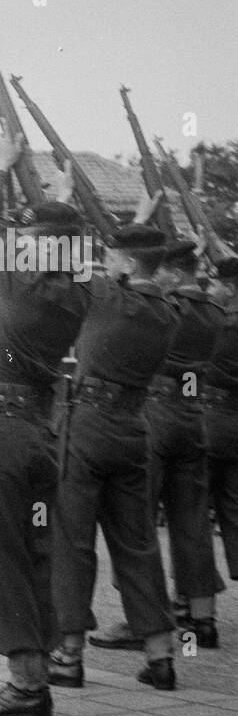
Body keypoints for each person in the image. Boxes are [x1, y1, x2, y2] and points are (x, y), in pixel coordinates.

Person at [0, 135, 91, 716]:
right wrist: (61, 201)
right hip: (43, 426)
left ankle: (24, 684)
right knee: (37, 552)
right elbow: (73, 247)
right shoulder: (80, 289)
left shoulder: (21, 278)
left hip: (2, 430)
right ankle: (39, 670)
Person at [49, 220, 180, 692]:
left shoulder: (107, 296)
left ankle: (68, 655)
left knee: (72, 540)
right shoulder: (168, 311)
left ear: (125, 264)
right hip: (133, 426)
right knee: (138, 542)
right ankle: (160, 655)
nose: (102, 262)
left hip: (87, 424)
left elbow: (56, 258)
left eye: (109, 256)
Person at [89, 239, 225, 652]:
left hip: (156, 414)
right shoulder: (213, 311)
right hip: (192, 416)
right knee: (192, 521)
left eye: (162, 269)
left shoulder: (166, 308)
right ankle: (202, 621)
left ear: (173, 272)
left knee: (137, 524)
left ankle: (139, 619)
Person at [204, 257, 238, 609]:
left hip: (214, 425)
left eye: (214, 284)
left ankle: (199, 618)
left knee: (194, 516)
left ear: (229, 288)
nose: (210, 290)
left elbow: (203, 373)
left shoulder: (225, 326)